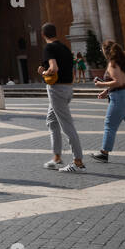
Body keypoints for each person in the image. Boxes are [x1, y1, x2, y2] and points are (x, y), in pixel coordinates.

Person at [39, 22, 85, 173]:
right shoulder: (65, 47)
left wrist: (44, 73)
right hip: (67, 88)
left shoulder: (49, 48)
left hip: (56, 89)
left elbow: (53, 68)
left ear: (43, 35)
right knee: (51, 121)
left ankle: (77, 161)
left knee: (66, 125)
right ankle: (57, 158)